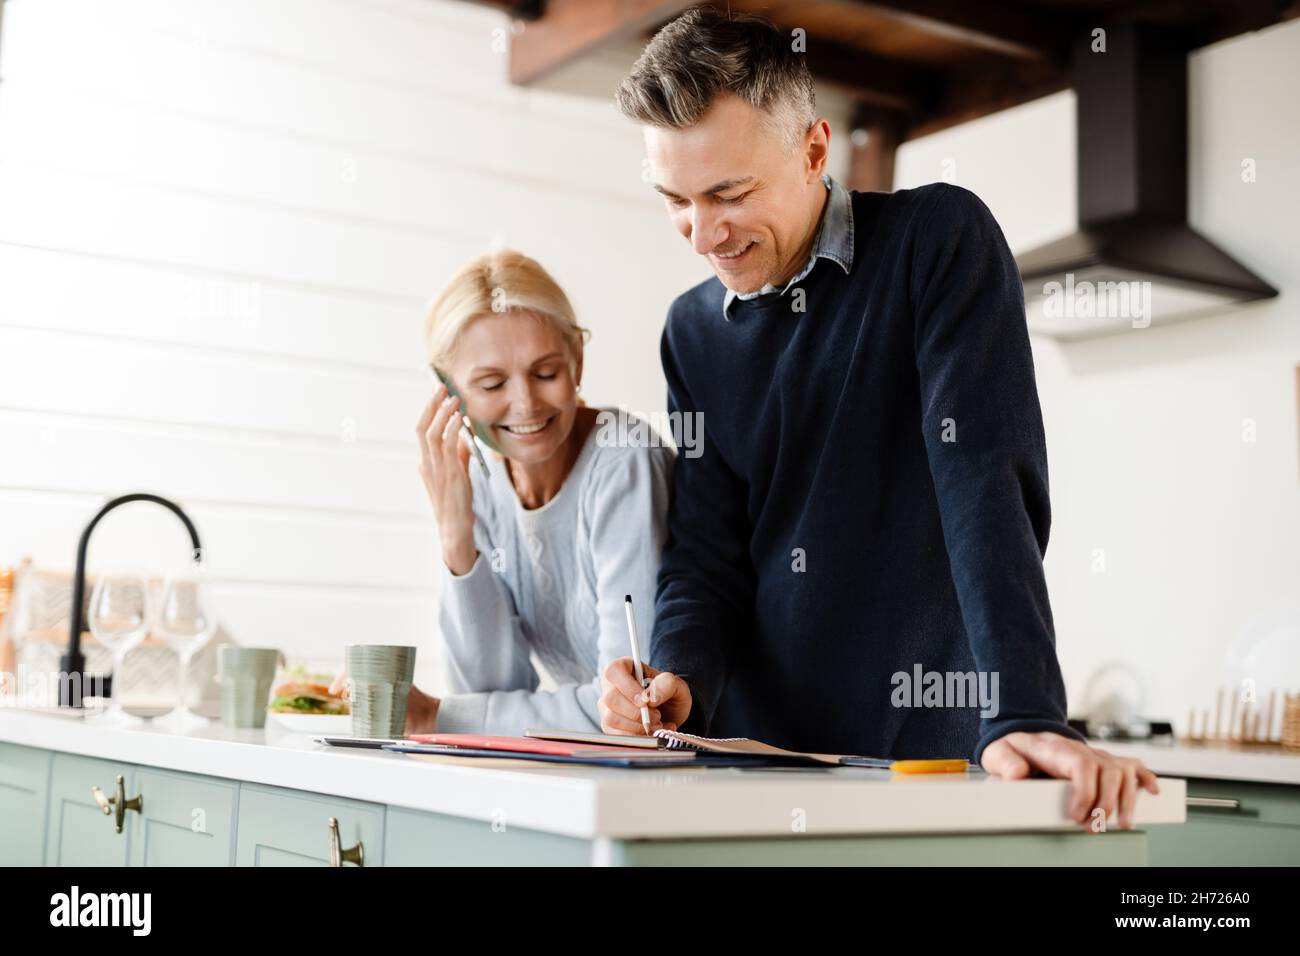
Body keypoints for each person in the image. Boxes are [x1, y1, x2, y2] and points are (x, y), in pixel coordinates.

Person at [598, 8, 1157, 831]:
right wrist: (679, 672)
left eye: (730, 193)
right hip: (750, 773)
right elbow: (705, 550)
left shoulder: (936, 243)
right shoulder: (691, 332)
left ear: (816, 151)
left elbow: (985, 487)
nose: (702, 234)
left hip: (922, 763)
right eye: (675, 200)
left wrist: (1024, 709)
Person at [333, 249, 674, 734]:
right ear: (448, 390)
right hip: (600, 774)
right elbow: (490, 688)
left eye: (545, 373)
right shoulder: (480, 480)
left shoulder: (624, 461)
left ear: (578, 358)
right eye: (492, 383)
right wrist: (456, 535)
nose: (525, 404)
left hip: (713, 765)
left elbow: (626, 709)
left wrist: (438, 716)